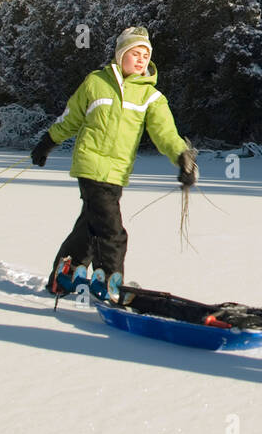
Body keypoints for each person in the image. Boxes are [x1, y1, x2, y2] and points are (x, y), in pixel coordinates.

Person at [32, 26, 198, 301]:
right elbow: (70, 118)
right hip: (90, 165)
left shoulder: (151, 97)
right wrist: (47, 142)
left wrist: (182, 157)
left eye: (146, 55)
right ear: (120, 55)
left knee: (89, 227)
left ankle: (64, 275)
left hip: (117, 172)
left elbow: (165, 133)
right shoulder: (95, 82)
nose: (141, 59)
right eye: (135, 53)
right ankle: (110, 283)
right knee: (112, 231)